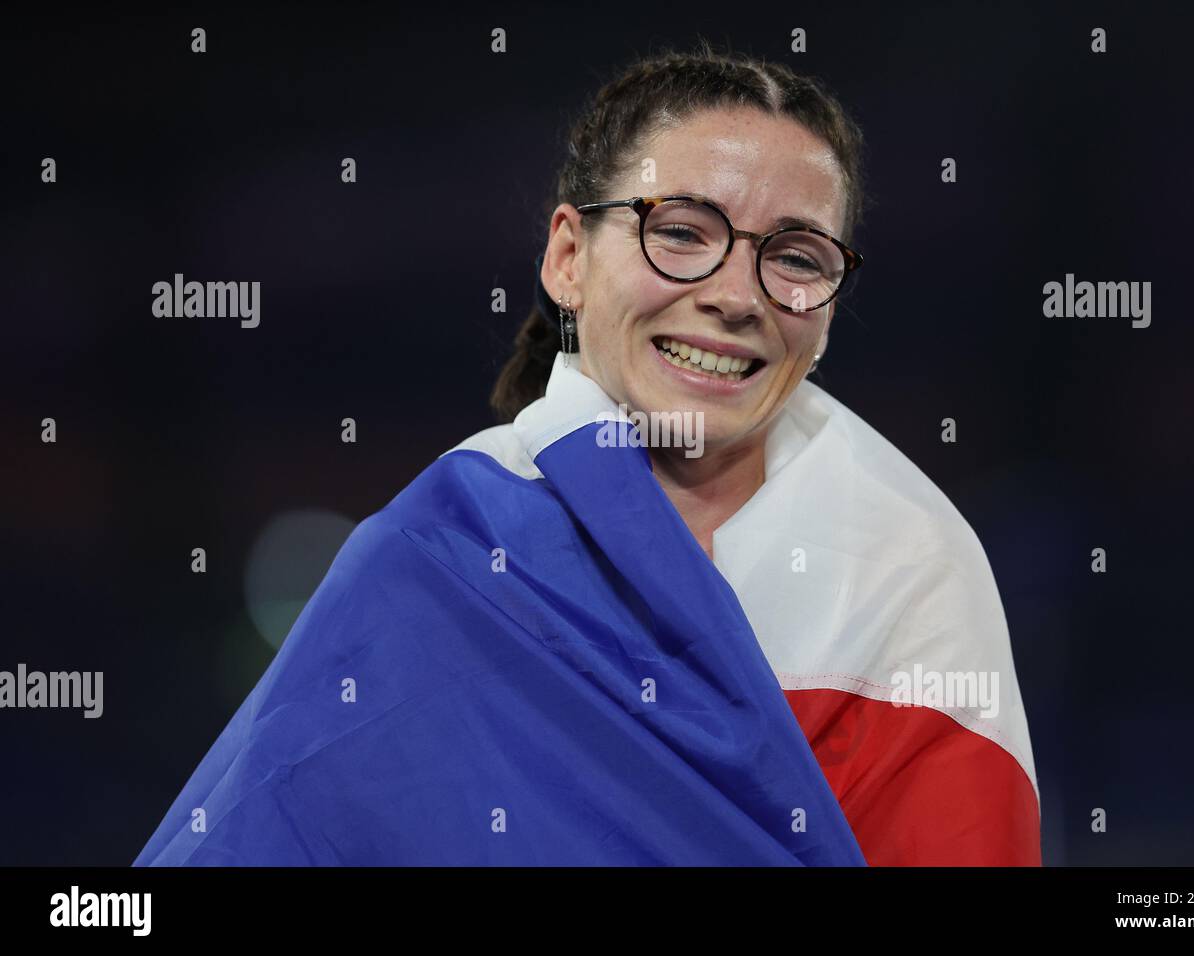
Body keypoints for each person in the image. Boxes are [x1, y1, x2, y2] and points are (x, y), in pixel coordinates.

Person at [134, 42, 1039, 867]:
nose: (735, 295)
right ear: (568, 256)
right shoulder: (430, 558)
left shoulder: (911, 566)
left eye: (796, 256)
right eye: (681, 232)